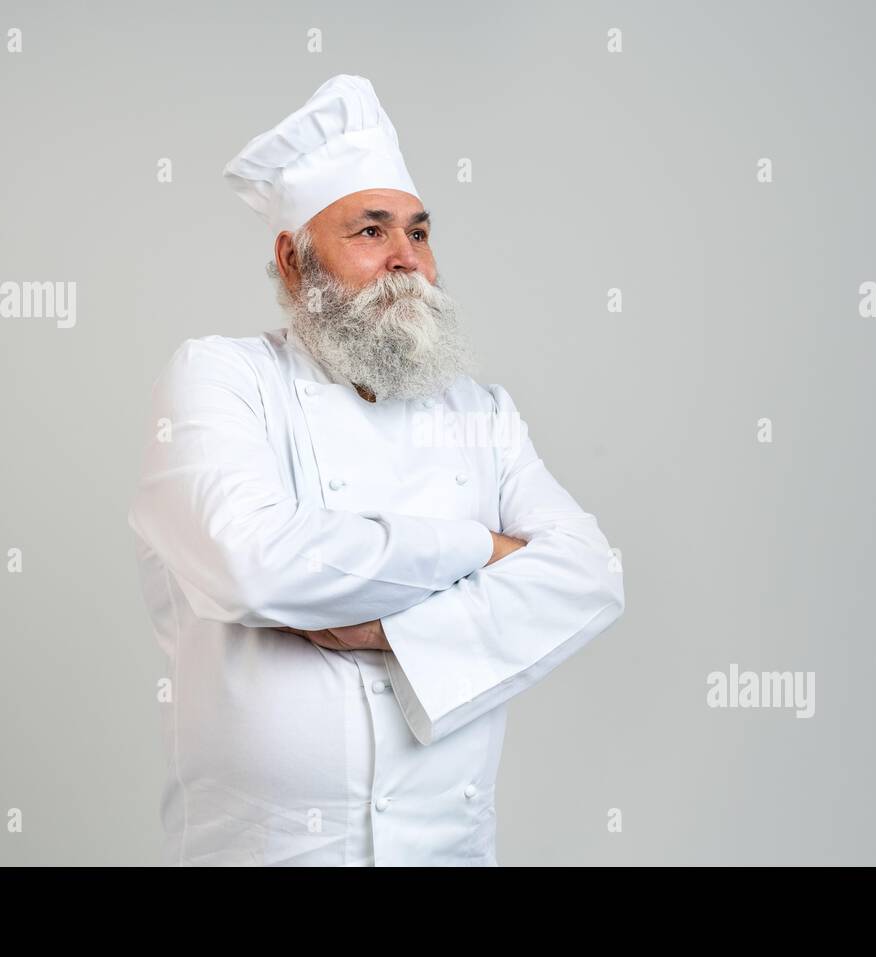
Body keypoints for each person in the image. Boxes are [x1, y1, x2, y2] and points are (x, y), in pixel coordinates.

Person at [127, 74, 625, 865]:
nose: (408, 261)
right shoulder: (223, 378)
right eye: (370, 232)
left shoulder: (480, 412)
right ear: (293, 264)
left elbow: (591, 574)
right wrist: (483, 550)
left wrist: (388, 630)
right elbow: (252, 565)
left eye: (420, 233)